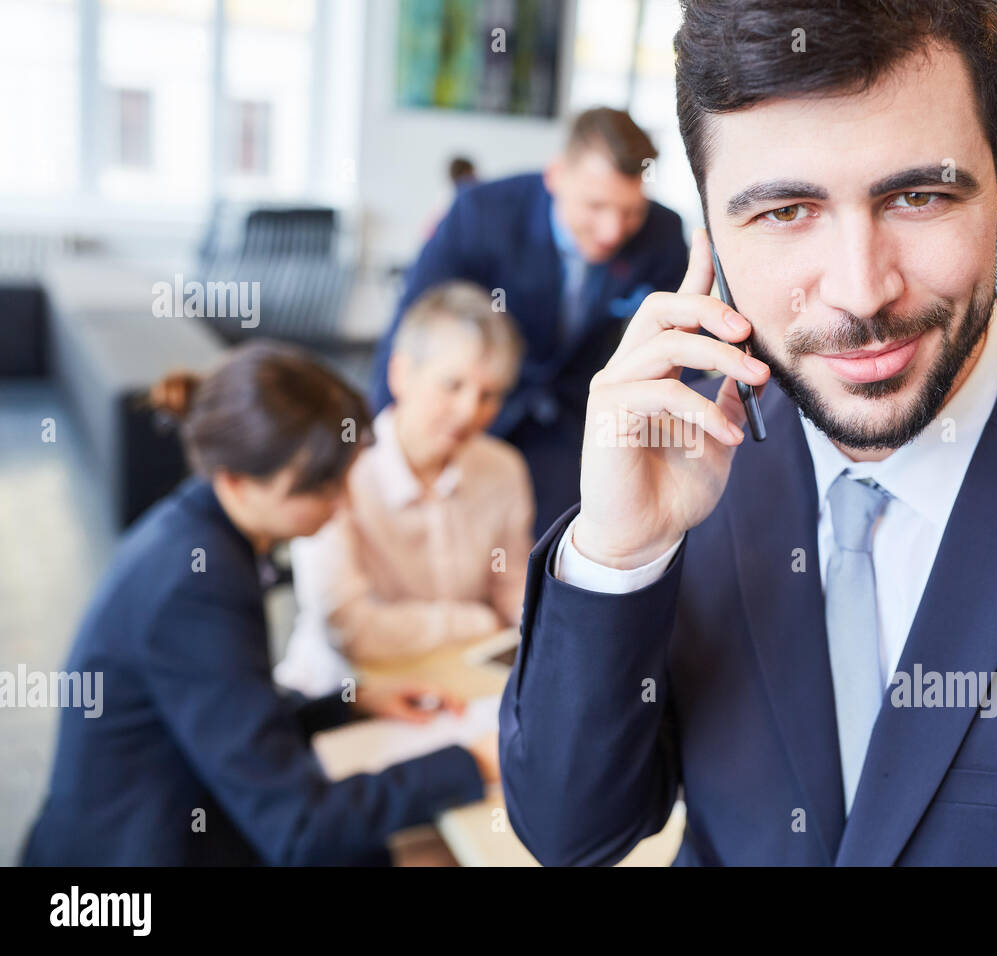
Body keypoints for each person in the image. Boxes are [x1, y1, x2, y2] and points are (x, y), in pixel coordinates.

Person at [499, 0, 997, 866]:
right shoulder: (677, 470)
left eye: (919, 196)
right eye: (785, 212)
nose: (861, 291)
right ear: (710, 237)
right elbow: (574, 835)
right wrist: (620, 556)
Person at [21, 341, 497, 866]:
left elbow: (228, 707)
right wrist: (470, 763)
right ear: (237, 482)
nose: (343, 505)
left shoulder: (196, 534)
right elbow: (298, 829)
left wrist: (347, 702)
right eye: (321, 488)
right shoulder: (195, 584)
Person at [368, 107, 690, 539]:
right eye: (595, 206)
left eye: (629, 212)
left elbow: (678, 340)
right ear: (556, 175)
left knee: (568, 538)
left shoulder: (663, 235)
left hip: (574, 418)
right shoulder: (481, 213)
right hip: (483, 403)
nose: (613, 231)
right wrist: (380, 443)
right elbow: (411, 327)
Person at [276, 281, 534, 696]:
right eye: (452, 386)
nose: (471, 411)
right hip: (342, 692)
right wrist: (478, 620)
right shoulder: (341, 470)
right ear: (401, 374)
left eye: (490, 395)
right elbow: (352, 632)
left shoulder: (503, 468)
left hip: (455, 683)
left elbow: (511, 583)